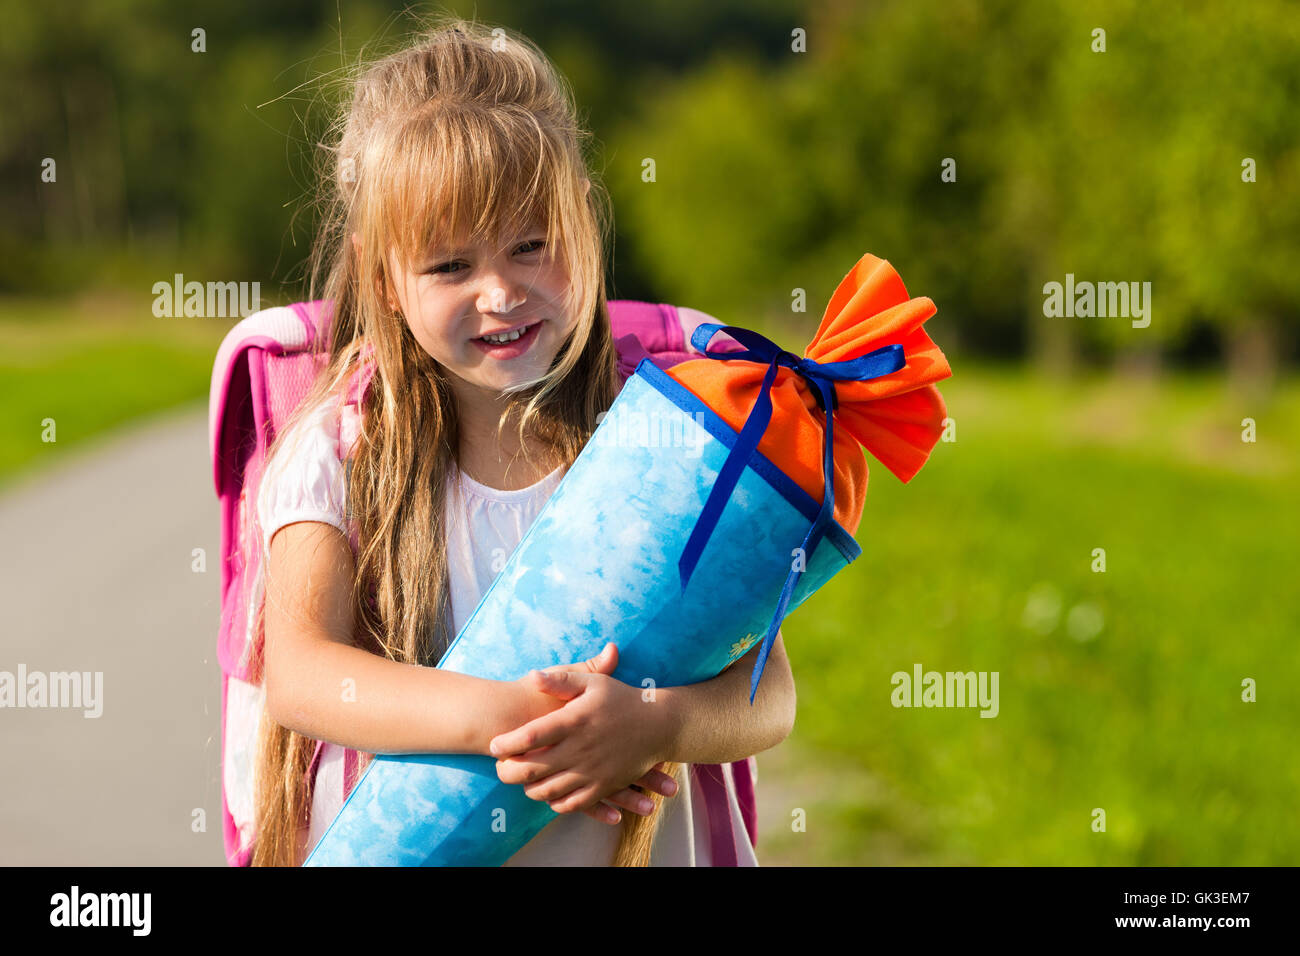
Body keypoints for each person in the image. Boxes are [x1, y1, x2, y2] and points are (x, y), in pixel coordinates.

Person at [247, 15, 794, 867]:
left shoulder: (663, 439)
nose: (501, 292)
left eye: (531, 246)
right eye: (449, 266)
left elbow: (769, 699)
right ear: (384, 280)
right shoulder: (341, 452)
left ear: (583, 226)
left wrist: (650, 725)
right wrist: (523, 725)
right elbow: (303, 675)